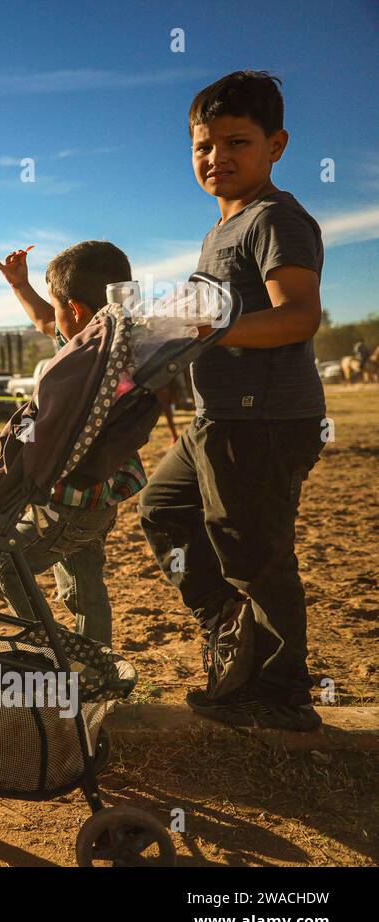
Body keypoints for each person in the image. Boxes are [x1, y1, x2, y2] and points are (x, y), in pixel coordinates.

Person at [138, 71, 326, 731]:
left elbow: (298, 316)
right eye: (203, 146)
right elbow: (206, 316)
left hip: (264, 420)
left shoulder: (275, 219)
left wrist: (211, 329)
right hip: (216, 417)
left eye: (236, 142)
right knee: (162, 509)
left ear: (277, 144)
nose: (216, 157)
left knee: (255, 553)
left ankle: (280, 695)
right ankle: (228, 623)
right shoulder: (221, 230)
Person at [0, 240, 147, 647]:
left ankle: (55, 649)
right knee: (84, 586)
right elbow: (49, 321)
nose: (51, 321)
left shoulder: (86, 368)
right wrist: (21, 287)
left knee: (5, 563)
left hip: (70, 503)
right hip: (100, 499)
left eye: (60, 307)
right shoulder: (113, 344)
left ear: (75, 311)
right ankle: (94, 666)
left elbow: (47, 431)